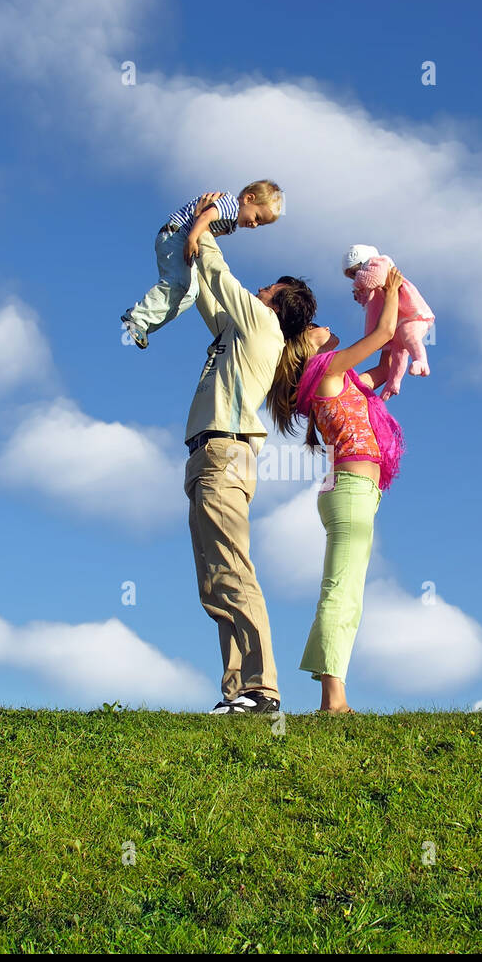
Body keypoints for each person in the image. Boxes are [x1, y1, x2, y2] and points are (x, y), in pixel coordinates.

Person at [185, 224, 316, 715]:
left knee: (234, 571)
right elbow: (206, 289)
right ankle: (238, 692)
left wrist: (204, 225)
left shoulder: (262, 325)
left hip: (224, 454)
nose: (259, 291)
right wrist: (186, 255)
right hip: (206, 455)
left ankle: (263, 690)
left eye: (268, 290)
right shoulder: (238, 330)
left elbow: (219, 273)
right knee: (215, 580)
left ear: (276, 306)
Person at [264, 266, 406, 713]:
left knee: (347, 591)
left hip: (353, 490)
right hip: (349, 489)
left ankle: (334, 694)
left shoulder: (339, 379)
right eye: (312, 328)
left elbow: (382, 365)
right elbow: (383, 334)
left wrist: (396, 321)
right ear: (305, 346)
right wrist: (391, 292)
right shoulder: (326, 371)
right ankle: (333, 700)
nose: (323, 327)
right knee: (341, 591)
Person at [121, 181, 285, 350]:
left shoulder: (231, 224)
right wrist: (192, 238)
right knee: (176, 283)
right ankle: (137, 318)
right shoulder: (229, 205)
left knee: (190, 294)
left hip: (183, 240)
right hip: (176, 236)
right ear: (249, 199)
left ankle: (145, 324)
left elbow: (207, 234)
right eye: (257, 217)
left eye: (260, 224)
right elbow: (204, 218)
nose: (254, 224)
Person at [342, 244, 433, 398]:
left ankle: (421, 361)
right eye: (352, 275)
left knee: (409, 335)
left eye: (355, 271)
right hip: (395, 320)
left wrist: (360, 286)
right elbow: (371, 296)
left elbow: (374, 279)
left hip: (408, 313)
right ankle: (393, 383)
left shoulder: (380, 263)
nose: (355, 277)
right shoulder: (368, 280)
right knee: (398, 352)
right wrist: (361, 295)